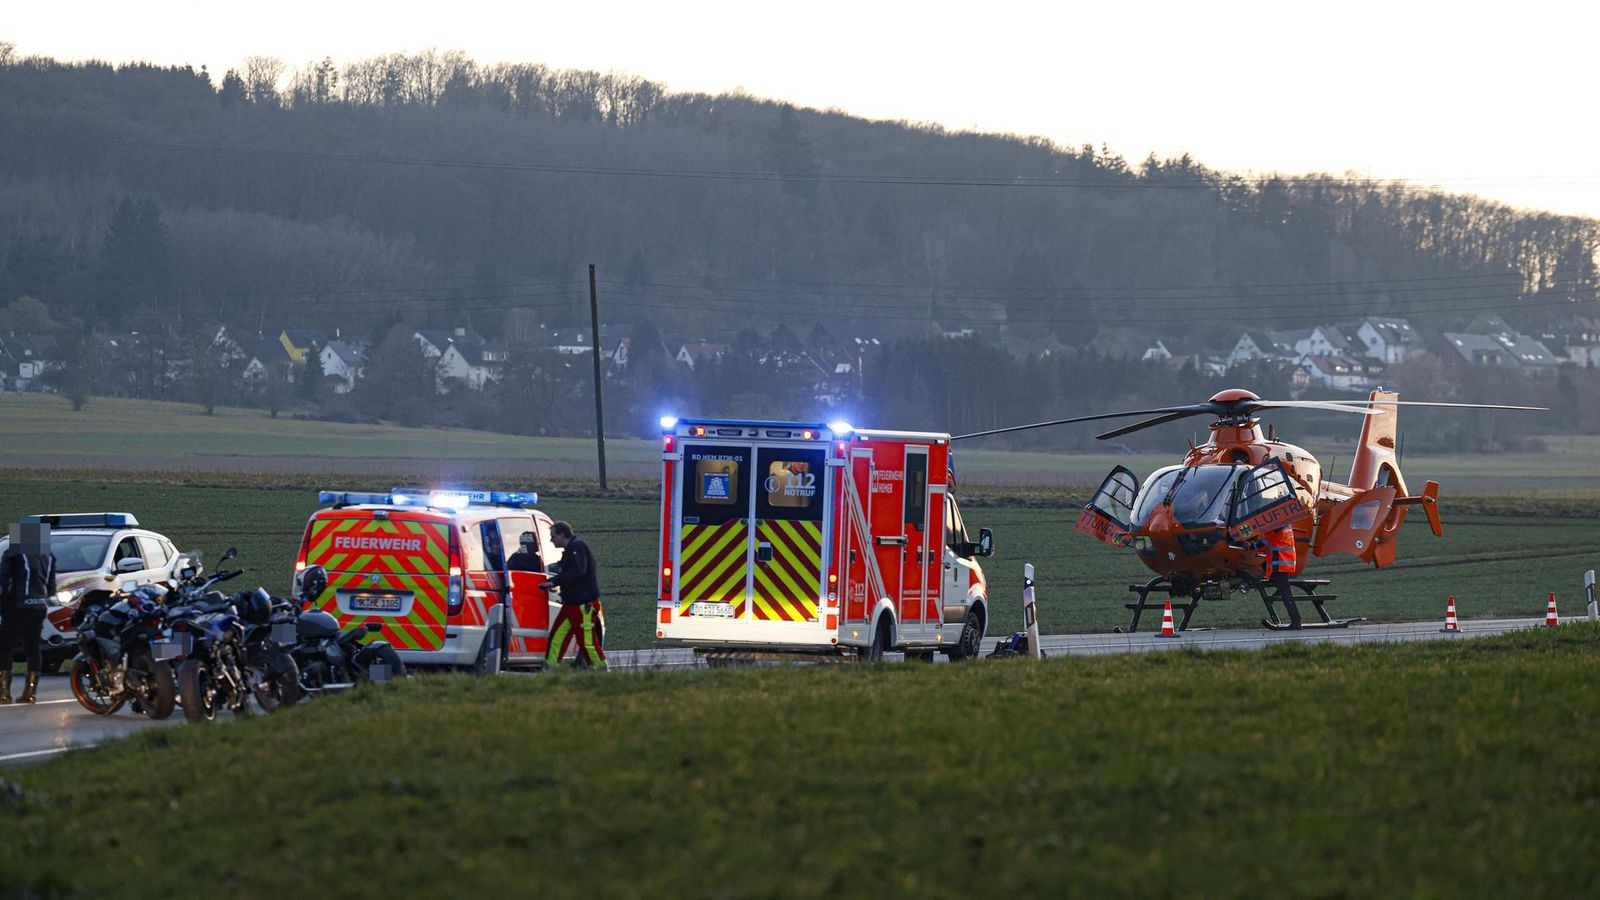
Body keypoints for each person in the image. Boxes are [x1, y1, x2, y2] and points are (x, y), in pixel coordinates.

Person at [1, 523, 57, 704]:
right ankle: (30, 693)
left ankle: (4, 692)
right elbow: (51, 586)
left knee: (4, 647)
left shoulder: (14, 553)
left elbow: (3, 579)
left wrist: (3, 603)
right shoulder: (48, 556)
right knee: (32, 648)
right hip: (39, 607)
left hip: (17, 605)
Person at [539, 521, 605, 670]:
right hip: (571, 604)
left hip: (583, 605)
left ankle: (601, 670)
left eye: (553, 535)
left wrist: (554, 582)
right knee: (557, 637)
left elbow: (577, 571)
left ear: (562, 534)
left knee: (587, 642)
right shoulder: (571, 550)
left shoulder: (577, 547)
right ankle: (549, 668)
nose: (551, 539)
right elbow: (568, 571)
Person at [1260, 524, 1301, 628]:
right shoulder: (1286, 527)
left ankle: (1296, 622)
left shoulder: (1274, 528)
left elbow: (1264, 543)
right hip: (1284, 562)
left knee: (1286, 595)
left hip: (1279, 563)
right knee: (1284, 591)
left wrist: (1250, 546)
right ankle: (1277, 588)